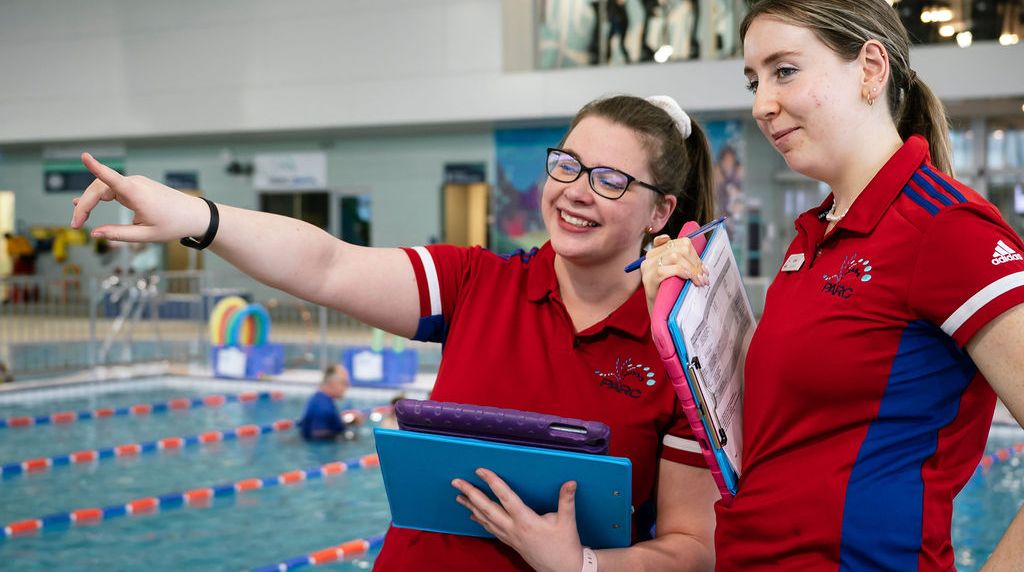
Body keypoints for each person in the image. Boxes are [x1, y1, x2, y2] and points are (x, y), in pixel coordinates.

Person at [70, 93, 720, 572]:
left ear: (660, 210)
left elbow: (692, 547)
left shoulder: (675, 348)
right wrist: (197, 216)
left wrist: (581, 565)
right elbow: (328, 264)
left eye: (610, 180)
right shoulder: (476, 282)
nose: (576, 191)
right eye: (567, 165)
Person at [647, 0, 1024, 571]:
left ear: (870, 69)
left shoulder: (944, 229)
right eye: (754, 81)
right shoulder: (813, 238)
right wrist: (676, 318)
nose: (761, 105)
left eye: (784, 71)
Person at [299, 364, 351, 441]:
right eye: (345, 382)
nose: (348, 387)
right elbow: (319, 440)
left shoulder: (319, 399)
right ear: (333, 382)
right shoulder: (323, 408)